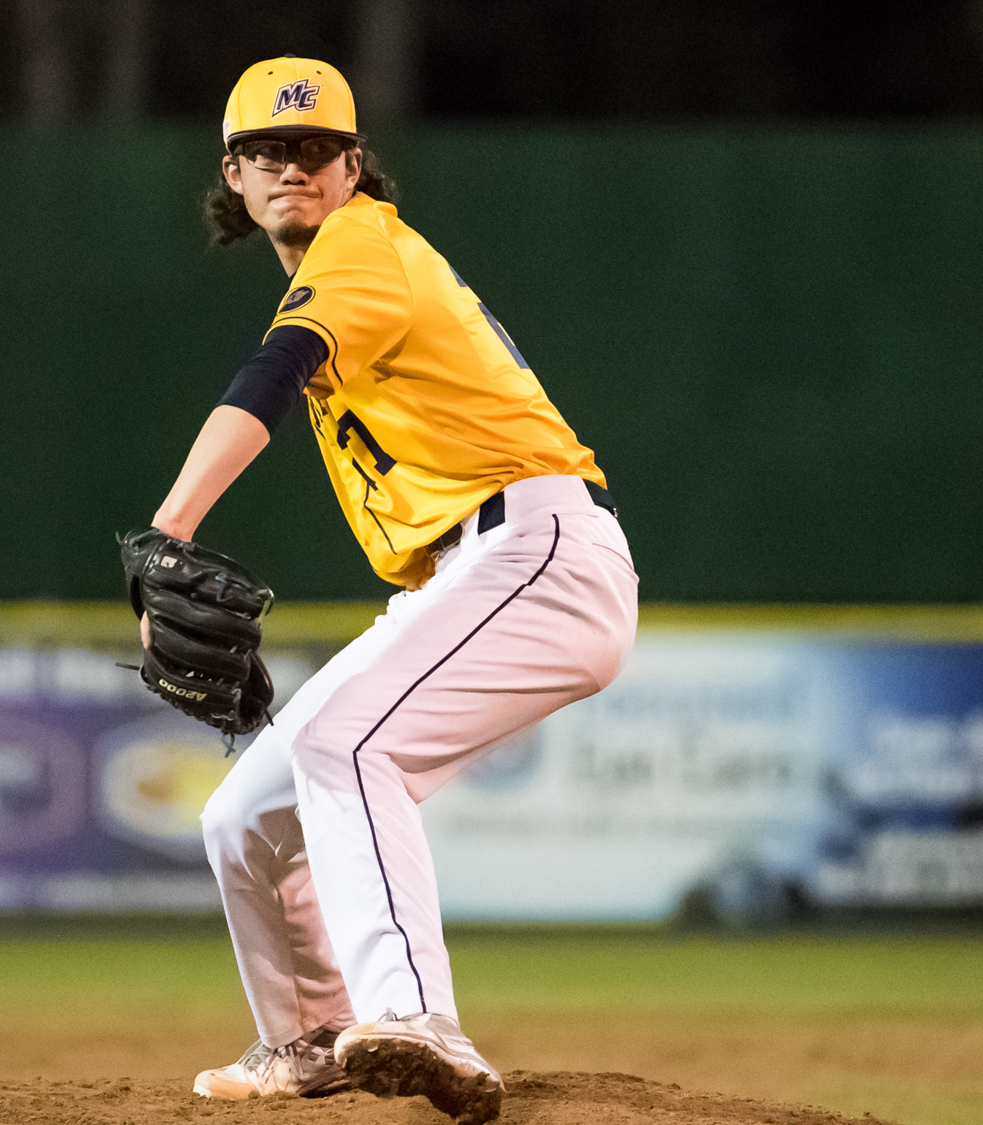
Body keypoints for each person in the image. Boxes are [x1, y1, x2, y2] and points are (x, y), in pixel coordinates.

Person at [150, 56, 637, 1125]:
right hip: (471, 568)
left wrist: (171, 527)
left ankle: (416, 1018)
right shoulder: (336, 264)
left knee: (344, 748)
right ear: (232, 173)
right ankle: (310, 1041)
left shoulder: (361, 245)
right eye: (269, 151)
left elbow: (272, 374)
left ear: (352, 167)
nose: (294, 168)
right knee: (244, 818)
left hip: (536, 550)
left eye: (316, 149)